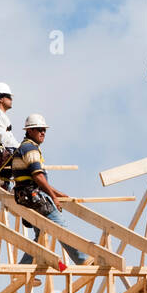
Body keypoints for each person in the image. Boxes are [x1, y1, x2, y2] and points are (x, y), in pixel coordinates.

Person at [10, 113, 88, 266]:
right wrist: (54, 197)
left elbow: (38, 180)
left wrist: (57, 193)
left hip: (26, 196)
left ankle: (23, 268)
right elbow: (38, 177)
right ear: (30, 131)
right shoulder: (30, 149)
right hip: (33, 196)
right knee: (60, 226)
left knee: (40, 235)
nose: (43, 132)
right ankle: (82, 259)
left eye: (44, 130)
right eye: (39, 129)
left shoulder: (27, 147)